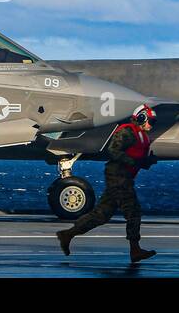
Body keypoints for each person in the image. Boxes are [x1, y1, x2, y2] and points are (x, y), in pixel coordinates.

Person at [57, 106, 159, 263]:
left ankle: (67, 234)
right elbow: (113, 151)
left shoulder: (141, 136)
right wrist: (133, 161)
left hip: (123, 177)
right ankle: (135, 250)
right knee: (133, 212)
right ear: (141, 118)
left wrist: (147, 162)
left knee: (101, 215)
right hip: (118, 176)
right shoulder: (127, 132)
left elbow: (137, 160)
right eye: (150, 121)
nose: (152, 125)